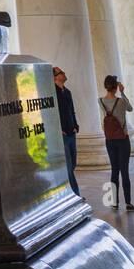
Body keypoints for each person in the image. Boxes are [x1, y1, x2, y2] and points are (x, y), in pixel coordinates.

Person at [100, 74, 134, 212]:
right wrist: (123, 92)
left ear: (106, 86)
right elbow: (130, 108)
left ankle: (114, 202)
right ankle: (128, 203)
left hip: (109, 140)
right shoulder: (121, 102)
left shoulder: (100, 101)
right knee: (124, 171)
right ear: (116, 87)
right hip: (122, 139)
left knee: (114, 170)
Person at [53, 67, 80, 195]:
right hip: (62, 134)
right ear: (55, 77)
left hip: (71, 132)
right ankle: (75, 194)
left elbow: (72, 110)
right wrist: (58, 129)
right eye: (61, 73)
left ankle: (65, 191)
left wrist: (75, 126)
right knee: (68, 167)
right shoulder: (52, 93)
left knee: (73, 164)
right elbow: (51, 114)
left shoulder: (67, 92)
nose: (64, 74)